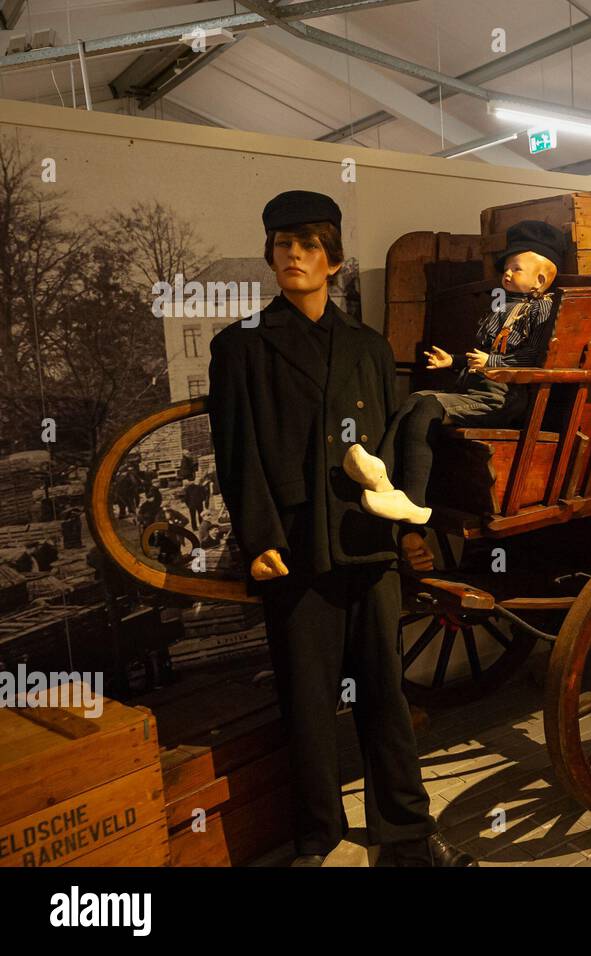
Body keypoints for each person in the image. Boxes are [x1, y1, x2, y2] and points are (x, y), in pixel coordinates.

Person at [207, 190, 473, 868]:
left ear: (334, 259)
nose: (294, 255)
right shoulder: (240, 347)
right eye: (282, 245)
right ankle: (316, 838)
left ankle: (406, 834)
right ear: (269, 254)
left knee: (387, 690)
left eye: (308, 245)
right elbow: (238, 453)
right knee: (308, 701)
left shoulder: (368, 347)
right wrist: (260, 536)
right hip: (295, 543)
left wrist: (409, 520)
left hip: (366, 539)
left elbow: (390, 440)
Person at [342, 220, 563, 569]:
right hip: (478, 386)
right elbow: (480, 353)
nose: (506, 274)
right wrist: (454, 360)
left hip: (503, 396)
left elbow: (535, 358)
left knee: (428, 405)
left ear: (539, 280)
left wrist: (490, 361)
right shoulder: (503, 308)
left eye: (515, 268)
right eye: (505, 268)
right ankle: (382, 477)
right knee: (415, 400)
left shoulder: (543, 311)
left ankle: (413, 503)